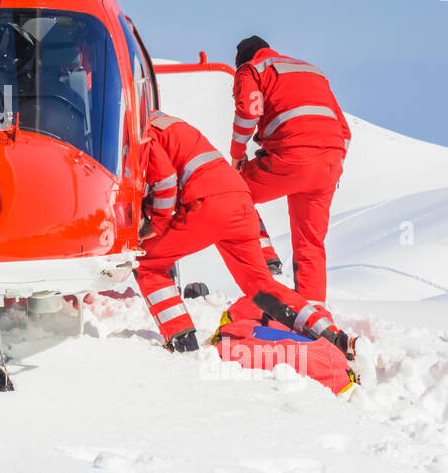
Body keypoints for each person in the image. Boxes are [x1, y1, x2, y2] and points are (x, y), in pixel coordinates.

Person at [137, 111, 356, 358]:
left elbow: (165, 181)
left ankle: (182, 343)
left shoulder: (138, 129)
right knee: (261, 285)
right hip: (242, 201)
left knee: (147, 265)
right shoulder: (166, 123)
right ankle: (332, 336)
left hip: (206, 204)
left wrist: (154, 226)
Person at [229, 36, 350, 305]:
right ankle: (314, 316)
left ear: (242, 61)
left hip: (291, 157)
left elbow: (249, 111)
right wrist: (335, 166)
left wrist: (237, 154)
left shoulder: (252, 69)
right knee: (311, 244)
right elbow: (344, 131)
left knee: (231, 191)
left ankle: (266, 258)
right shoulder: (311, 71)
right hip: (329, 165)